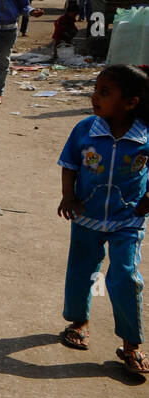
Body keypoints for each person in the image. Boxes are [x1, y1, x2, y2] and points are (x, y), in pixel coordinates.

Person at [57, 63, 149, 376]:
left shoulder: (145, 134)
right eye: (95, 90)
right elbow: (69, 164)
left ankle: (131, 345)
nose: (95, 97)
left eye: (105, 92)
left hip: (129, 218)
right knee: (83, 270)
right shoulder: (85, 129)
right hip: (86, 215)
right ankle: (78, 322)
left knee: (124, 276)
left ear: (131, 102)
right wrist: (68, 196)